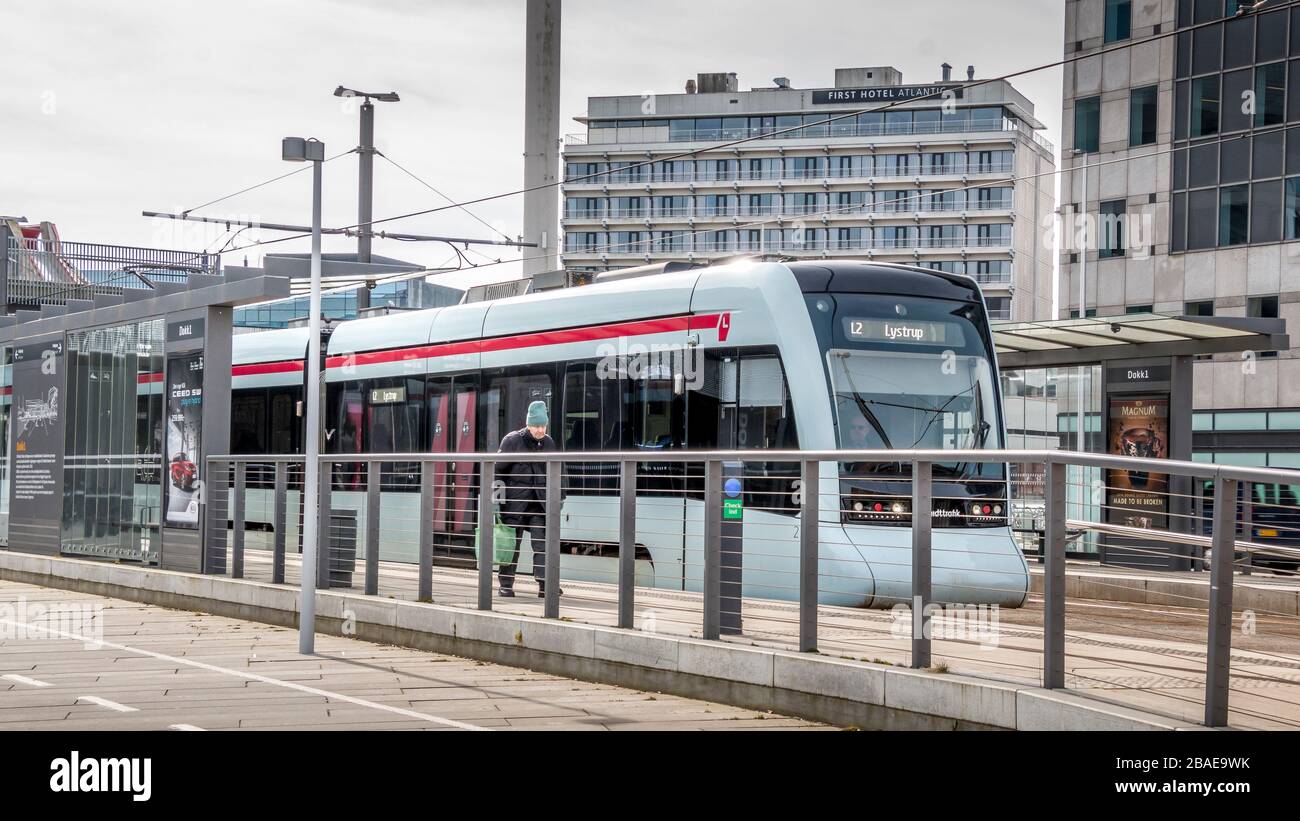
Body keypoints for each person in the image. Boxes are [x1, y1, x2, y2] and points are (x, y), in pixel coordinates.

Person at [496, 400, 563, 598]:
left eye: (543, 426)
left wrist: (559, 499)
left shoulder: (549, 443)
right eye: (536, 426)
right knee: (511, 545)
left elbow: (558, 474)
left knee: (542, 544)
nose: (540, 430)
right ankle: (505, 585)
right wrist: (496, 501)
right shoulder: (512, 441)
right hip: (514, 505)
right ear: (528, 424)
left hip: (538, 505)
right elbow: (496, 471)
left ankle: (546, 586)